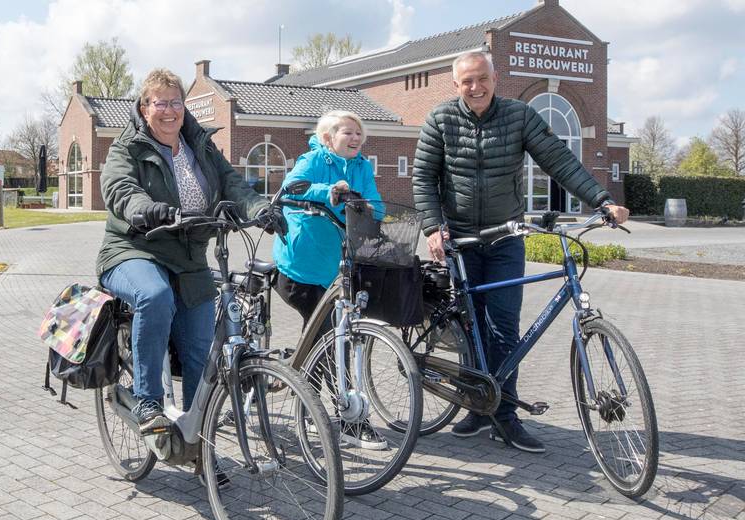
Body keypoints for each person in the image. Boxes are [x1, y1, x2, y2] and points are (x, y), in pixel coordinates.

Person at [413, 51, 630, 453]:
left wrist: (602, 200)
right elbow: (424, 177)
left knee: (503, 327)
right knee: (470, 327)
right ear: (455, 85)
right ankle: (478, 407)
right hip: (460, 241)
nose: (475, 87)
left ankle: (505, 416)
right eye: (467, 82)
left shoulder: (519, 115)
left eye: (482, 79)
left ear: (495, 79)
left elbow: (559, 160)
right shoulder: (440, 120)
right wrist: (432, 228)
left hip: (505, 240)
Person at [97, 68, 284, 437]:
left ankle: (200, 448)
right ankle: (147, 400)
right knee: (155, 295)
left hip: (190, 258)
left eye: (176, 102)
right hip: (134, 248)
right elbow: (119, 186)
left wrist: (258, 209)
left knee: (201, 352)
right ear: (144, 107)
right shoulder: (127, 145)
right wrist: (144, 208)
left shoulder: (199, 144)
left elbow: (231, 182)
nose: (170, 110)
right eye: (160, 103)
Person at [271, 110, 388, 449]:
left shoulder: (363, 167)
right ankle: (338, 418)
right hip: (300, 267)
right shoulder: (313, 160)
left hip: (339, 268)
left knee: (339, 338)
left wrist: (361, 202)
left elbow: (377, 207)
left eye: (358, 134)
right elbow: (291, 188)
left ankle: (329, 415)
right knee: (328, 337)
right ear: (328, 138)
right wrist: (331, 192)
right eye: (347, 133)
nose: (354, 139)